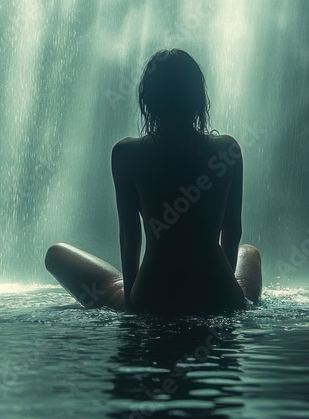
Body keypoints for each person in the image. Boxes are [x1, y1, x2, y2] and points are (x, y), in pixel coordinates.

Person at [45, 49, 261, 315]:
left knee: (56, 254)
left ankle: (130, 292)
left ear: (147, 100)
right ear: (197, 98)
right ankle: (227, 290)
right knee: (248, 252)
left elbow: (130, 237)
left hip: (154, 292)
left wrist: (133, 303)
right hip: (218, 290)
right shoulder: (227, 150)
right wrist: (225, 293)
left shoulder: (126, 154)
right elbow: (232, 231)